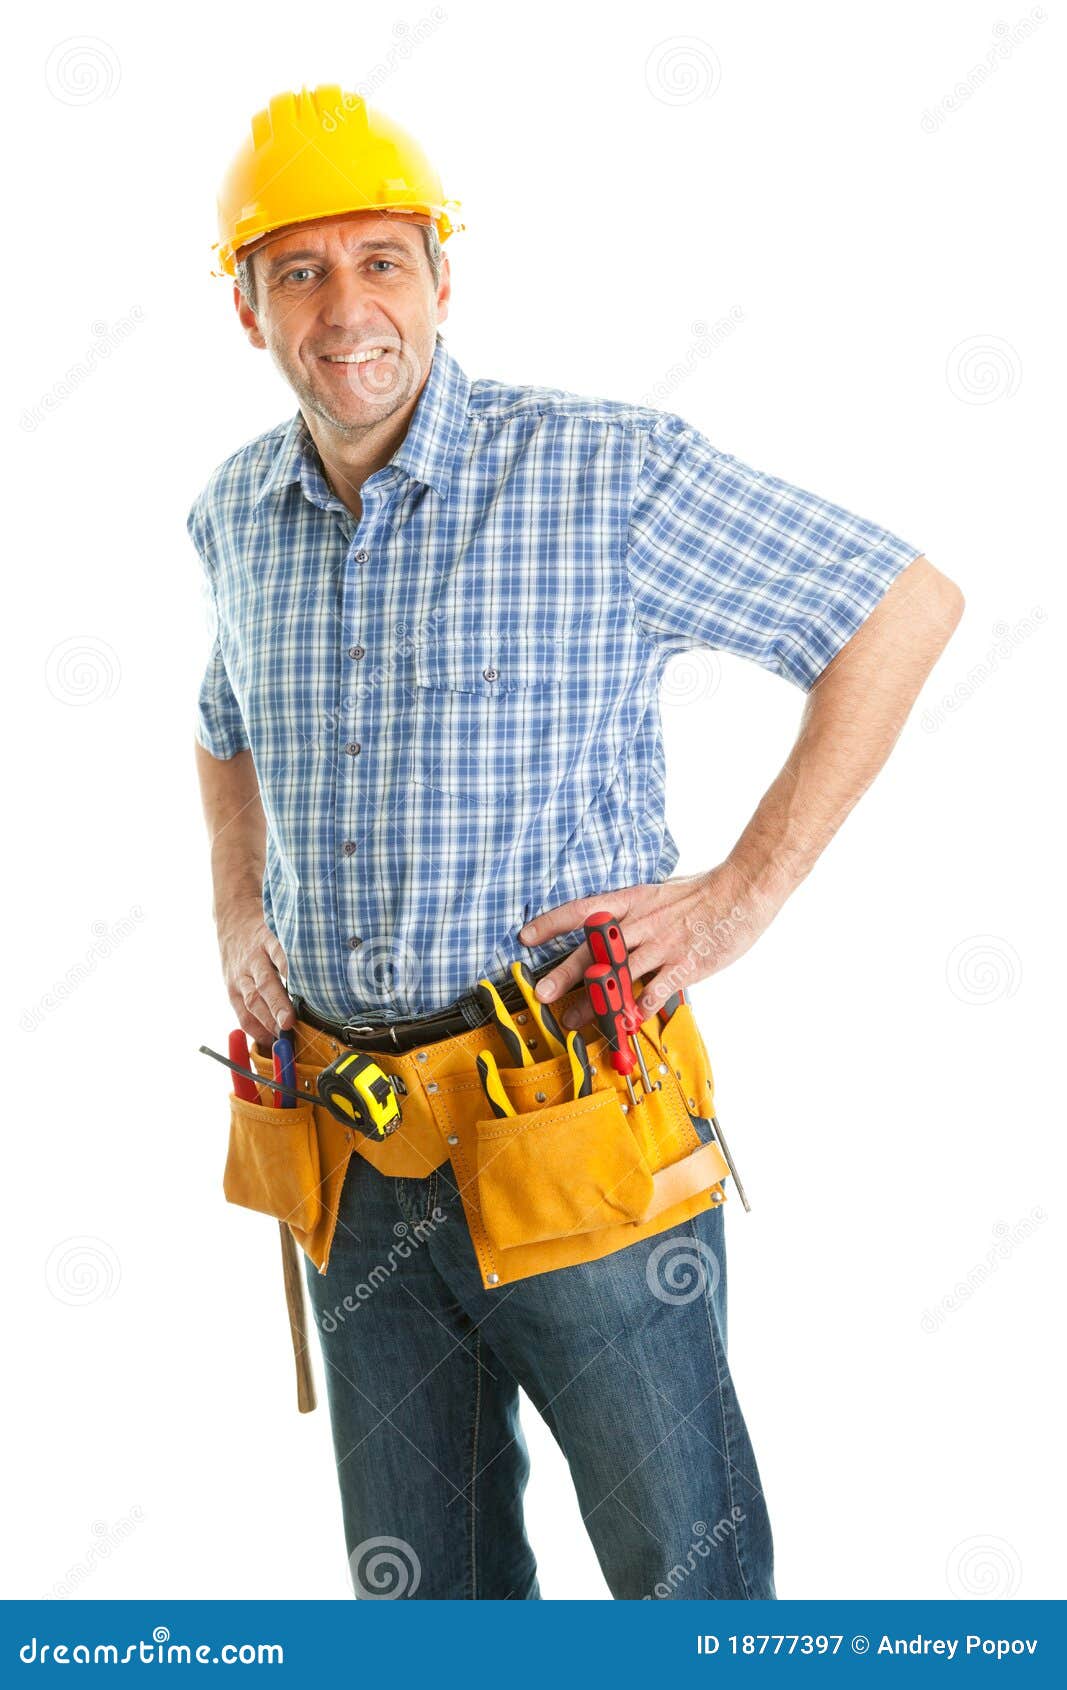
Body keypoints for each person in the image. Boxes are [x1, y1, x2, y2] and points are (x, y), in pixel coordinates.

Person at [191, 86, 963, 1600]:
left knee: (685, 1588)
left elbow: (901, 608)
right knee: (427, 1598)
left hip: (573, 1121)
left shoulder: (603, 473)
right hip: (350, 1145)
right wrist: (236, 904)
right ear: (247, 307)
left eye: (381, 260)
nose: (346, 309)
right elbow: (223, 722)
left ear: (442, 278)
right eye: (299, 270)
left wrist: (738, 899)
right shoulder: (236, 514)